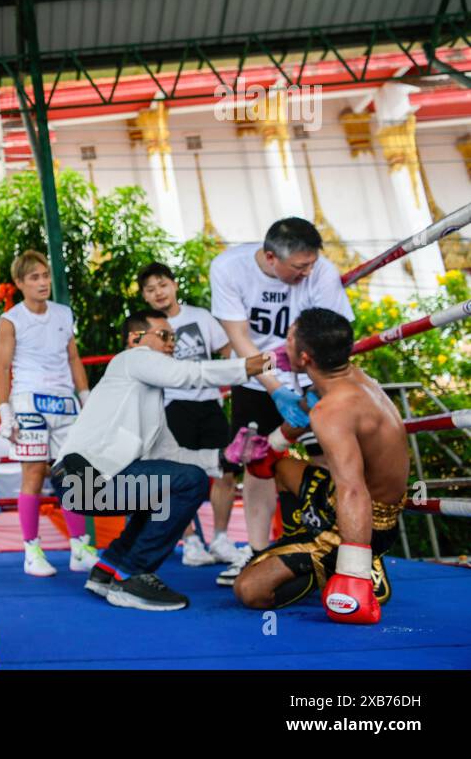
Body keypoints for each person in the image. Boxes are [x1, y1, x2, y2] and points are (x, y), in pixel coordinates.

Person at [52, 310, 271, 611]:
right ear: (135, 339)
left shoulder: (150, 404)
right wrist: (249, 366)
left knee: (167, 487)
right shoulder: (130, 359)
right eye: (165, 336)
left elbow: (174, 455)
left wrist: (225, 456)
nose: (172, 344)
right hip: (81, 478)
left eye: (174, 338)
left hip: (85, 482)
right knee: (189, 483)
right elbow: (188, 374)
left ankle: (109, 569)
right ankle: (133, 576)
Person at [230, 309, 406, 623]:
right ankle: (305, 550)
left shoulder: (333, 410)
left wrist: (353, 571)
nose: (284, 345)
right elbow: (302, 411)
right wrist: (267, 446)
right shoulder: (347, 379)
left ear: (306, 357)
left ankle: (352, 564)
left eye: (290, 339)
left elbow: (353, 490)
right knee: (281, 469)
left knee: (250, 590)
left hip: (364, 517)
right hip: (340, 498)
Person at [208, 217, 354, 586]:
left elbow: (334, 333)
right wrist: (275, 387)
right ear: (271, 258)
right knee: (257, 459)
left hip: (313, 374)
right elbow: (239, 337)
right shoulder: (229, 267)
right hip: (257, 378)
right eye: (299, 267)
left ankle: (346, 546)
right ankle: (257, 551)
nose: (307, 272)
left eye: (311, 264)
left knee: (331, 454)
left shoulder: (321, 272)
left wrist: (317, 387)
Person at [0, 251, 93, 576]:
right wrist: (5, 411)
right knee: (33, 474)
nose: (42, 282)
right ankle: (31, 551)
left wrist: (86, 398)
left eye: (45, 276)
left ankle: (80, 547)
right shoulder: (11, 319)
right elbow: (3, 367)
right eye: (34, 277)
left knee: (74, 475)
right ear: (20, 283)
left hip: (65, 401)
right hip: (28, 400)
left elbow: (74, 358)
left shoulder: (64, 314)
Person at [137, 261, 241, 567]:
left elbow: (227, 351)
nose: (158, 293)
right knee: (176, 473)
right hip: (171, 405)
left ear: (174, 285)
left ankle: (221, 538)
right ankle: (191, 540)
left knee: (226, 468)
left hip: (209, 401)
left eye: (162, 285)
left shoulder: (201, 316)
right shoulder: (145, 326)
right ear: (144, 296)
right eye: (151, 289)